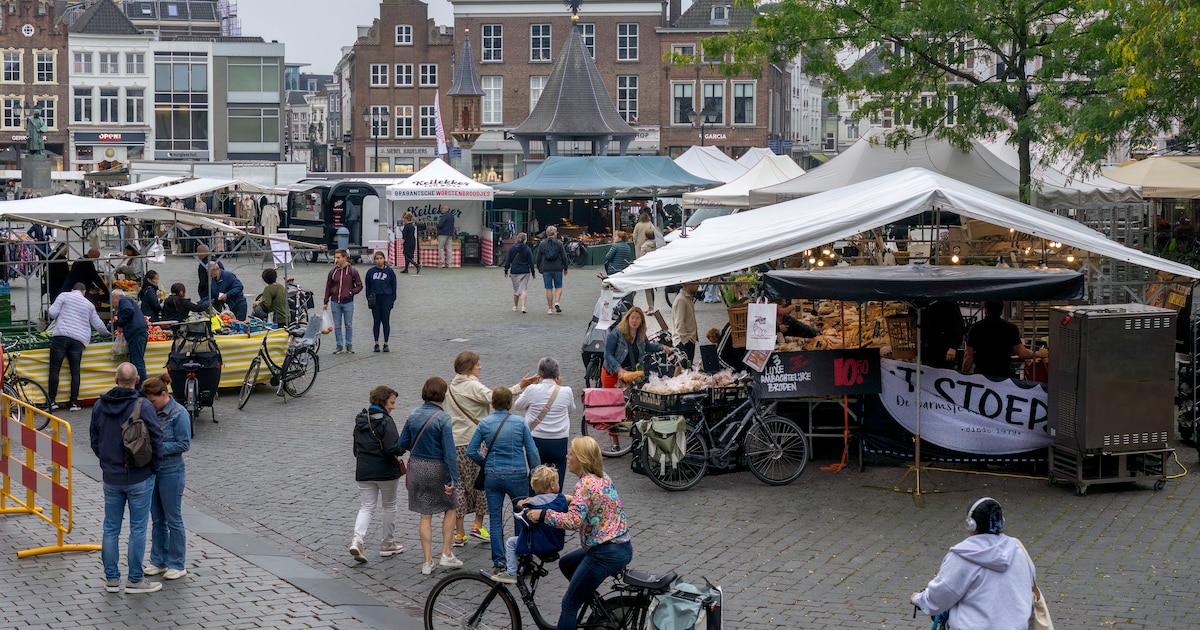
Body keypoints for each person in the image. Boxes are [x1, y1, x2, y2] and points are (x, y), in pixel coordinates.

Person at [526, 437, 633, 630]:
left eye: (571, 453)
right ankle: (594, 602)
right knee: (567, 564)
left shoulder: (585, 485)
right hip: (620, 545)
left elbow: (573, 521)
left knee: (569, 604)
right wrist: (565, 500)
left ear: (582, 458)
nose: (567, 456)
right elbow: (585, 506)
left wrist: (543, 514)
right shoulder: (602, 477)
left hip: (605, 552)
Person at [446, 351, 537, 548]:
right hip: (473, 440)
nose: (480, 367)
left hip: (455, 443)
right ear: (469, 366)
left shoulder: (452, 386)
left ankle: (459, 533)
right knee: (481, 484)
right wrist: (520, 386)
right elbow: (494, 397)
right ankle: (477, 525)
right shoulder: (472, 385)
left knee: (459, 487)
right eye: (477, 364)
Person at [89, 362, 163, 594]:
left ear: (115, 379)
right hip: (139, 475)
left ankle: (112, 579)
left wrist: (107, 462)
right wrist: (154, 467)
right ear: (137, 380)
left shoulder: (100, 405)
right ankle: (135, 579)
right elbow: (156, 438)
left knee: (111, 528)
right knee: (138, 529)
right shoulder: (143, 405)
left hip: (111, 477)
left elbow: (94, 439)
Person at [911, 498, 1036, 630]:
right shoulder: (1017, 550)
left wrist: (918, 599)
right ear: (1001, 521)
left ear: (971, 524)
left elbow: (939, 597)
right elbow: (1029, 583)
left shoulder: (963, 556)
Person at [467, 387, 540, 580]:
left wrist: (485, 462)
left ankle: (499, 562)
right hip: (517, 475)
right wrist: (536, 473)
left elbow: (471, 451)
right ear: (510, 403)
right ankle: (521, 557)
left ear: (492, 404)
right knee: (521, 515)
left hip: (492, 475)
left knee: (495, 519)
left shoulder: (485, 423)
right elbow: (532, 451)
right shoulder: (520, 423)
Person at [397, 377, 461, 576]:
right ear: (443, 394)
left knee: (425, 515)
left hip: (417, 467)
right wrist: (452, 479)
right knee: (451, 507)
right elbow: (450, 452)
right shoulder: (443, 418)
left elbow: (402, 444)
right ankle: (446, 553)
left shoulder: (413, 414)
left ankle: (427, 561)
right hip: (437, 468)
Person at [140, 373, 191, 581]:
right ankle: (158, 561)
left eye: (153, 402)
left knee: (173, 518)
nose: (151, 406)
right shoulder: (151, 412)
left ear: (163, 395)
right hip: (153, 470)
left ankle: (177, 563)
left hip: (171, 471)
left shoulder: (179, 414)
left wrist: (156, 447)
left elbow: (184, 444)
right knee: (157, 518)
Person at [349, 385, 405, 563]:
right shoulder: (386, 421)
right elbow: (393, 448)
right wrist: (403, 446)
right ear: (383, 401)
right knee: (389, 506)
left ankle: (357, 540)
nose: (393, 407)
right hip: (386, 471)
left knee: (366, 506)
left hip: (364, 470)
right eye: (391, 403)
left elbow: (355, 449)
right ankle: (388, 543)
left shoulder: (360, 420)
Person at [495, 465, 568, 584]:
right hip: (556, 542)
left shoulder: (530, 505)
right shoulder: (560, 500)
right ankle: (526, 564)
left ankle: (511, 572)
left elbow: (525, 521)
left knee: (511, 543)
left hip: (538, 544)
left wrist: (519, 507)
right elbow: (567, 500)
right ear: (552, 485)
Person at [513, 357, 576, 489]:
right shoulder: (566, 391)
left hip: (536, 439)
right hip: (559, 440)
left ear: (539, 374)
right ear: (557, 374)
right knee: (558, 477)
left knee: (536, 476)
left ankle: (534, 499)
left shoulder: (532, 390)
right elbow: (572, 409)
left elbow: (518, 405)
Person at [47, 282, 110, 411]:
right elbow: (98, 324)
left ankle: (52, 401)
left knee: (54, 370)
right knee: (75, 372)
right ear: (84, 292)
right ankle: (74, 403)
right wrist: (107, 333)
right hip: (78, 340)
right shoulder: (89, 305)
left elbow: (52, 313)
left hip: (61, 336)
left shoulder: (64, 296)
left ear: (72, 289)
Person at [962, 301, 1035, 379]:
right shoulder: (1011, 328)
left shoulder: (975, 328)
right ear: (1001, 310)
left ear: (985, 310)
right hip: (1003, 376)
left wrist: (962, 376)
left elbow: (968, 357)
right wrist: (1040, 353)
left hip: (982, 376)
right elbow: (1022, 353)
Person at [602, 306, 666, 389]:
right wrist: (619, 369)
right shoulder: (616, 333)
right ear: (627, 319)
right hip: (612, 373)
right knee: (612, 397)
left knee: (629, 396)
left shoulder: (641, 334)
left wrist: (662, 347)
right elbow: (608, 354)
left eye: (638, 318)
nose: (634, 321)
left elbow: (647, 346)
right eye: (632, 318)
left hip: (630, 374)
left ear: (641, 321)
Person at [324, 249, 363, 354]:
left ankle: (349, 345)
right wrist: (325, 301)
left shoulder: (352, 271)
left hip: (348, 302)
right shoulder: (333, 271)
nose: (336, 260)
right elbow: (328, 287)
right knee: (337, 326)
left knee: (348, 325)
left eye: (338, 257)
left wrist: (351, 292)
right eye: (335, 257)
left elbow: (360, 285)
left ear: (344, 258)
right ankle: (339, 345)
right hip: (335, 302)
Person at [113, 289, 150, 384]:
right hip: (139, 332)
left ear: (115, 297)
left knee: (137, 362)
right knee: (137, 361)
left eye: (112, 299)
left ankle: (141, 386)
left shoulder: (123, 300)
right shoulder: (127, 300)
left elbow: (128, 311)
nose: (112, 303)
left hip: (136, 334)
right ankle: (139, 385)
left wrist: (120, 323)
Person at [365, 251, 397, 352]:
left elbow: (394, 286)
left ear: (384, 259)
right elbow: (367, 286)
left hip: (386, 298)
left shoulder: (390, 272)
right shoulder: (370, 272)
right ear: (374, 260)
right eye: (377, 259)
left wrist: (392, 299)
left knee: (386, 321)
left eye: (380, 258)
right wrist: (369, 299)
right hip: (375, 299)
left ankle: (386, 343)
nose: (379, 260)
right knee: (376, 321)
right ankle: (376, 343)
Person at [920, 300, 967, 369]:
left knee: (944, 369)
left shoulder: (950, 302)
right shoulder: (925, 301)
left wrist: (953, 346)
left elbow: (959, 325)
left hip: (944, 347)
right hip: (928, 346)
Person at [535, 225, 567, 315]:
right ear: (554, 233)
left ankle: (550, 308)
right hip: (557, 268)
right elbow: (564, 256)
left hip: (546, 268)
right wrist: (565, 267)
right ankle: (557, 302)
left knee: (548, 288)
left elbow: (538, 257)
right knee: (558, 287)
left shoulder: (542, 244)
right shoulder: (559, 243)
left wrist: (539, 267)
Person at [503, 232, 535, 313]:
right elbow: (531, 261)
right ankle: (523, 306)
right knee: (523, 289)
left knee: (516, 289)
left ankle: (515, 306)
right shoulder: (527, 249)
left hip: (514, 271)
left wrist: (506, 270)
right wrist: (533, 272)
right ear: (525, 240)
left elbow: (508, 260)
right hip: (525, 271)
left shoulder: (512, 248)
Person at [672, 283, 699, 365]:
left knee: (688, 367)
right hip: (684, 341)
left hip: (689, 340)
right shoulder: (681, 300)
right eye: (696, 282)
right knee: (683, 368)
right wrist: (685, 341)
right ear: (689, 284)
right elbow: (679, 323)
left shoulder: (687, 298)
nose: (698, 285)